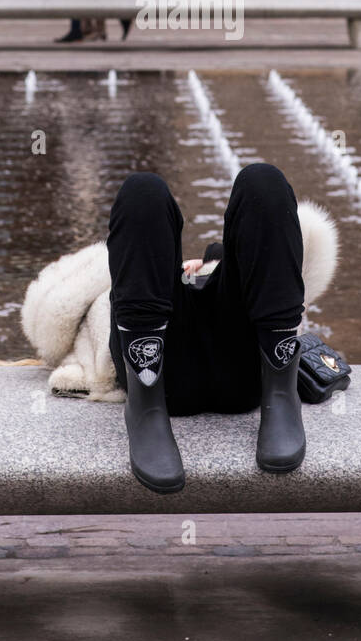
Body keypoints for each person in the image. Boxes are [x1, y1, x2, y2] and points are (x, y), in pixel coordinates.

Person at [108, 164, 307, 493]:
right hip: (160, 379)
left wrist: (212, 260)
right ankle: (145, 410)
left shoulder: (223, 269)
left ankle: (283, 394)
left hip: (247, 375)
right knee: (142, 190)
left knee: (263, 180)